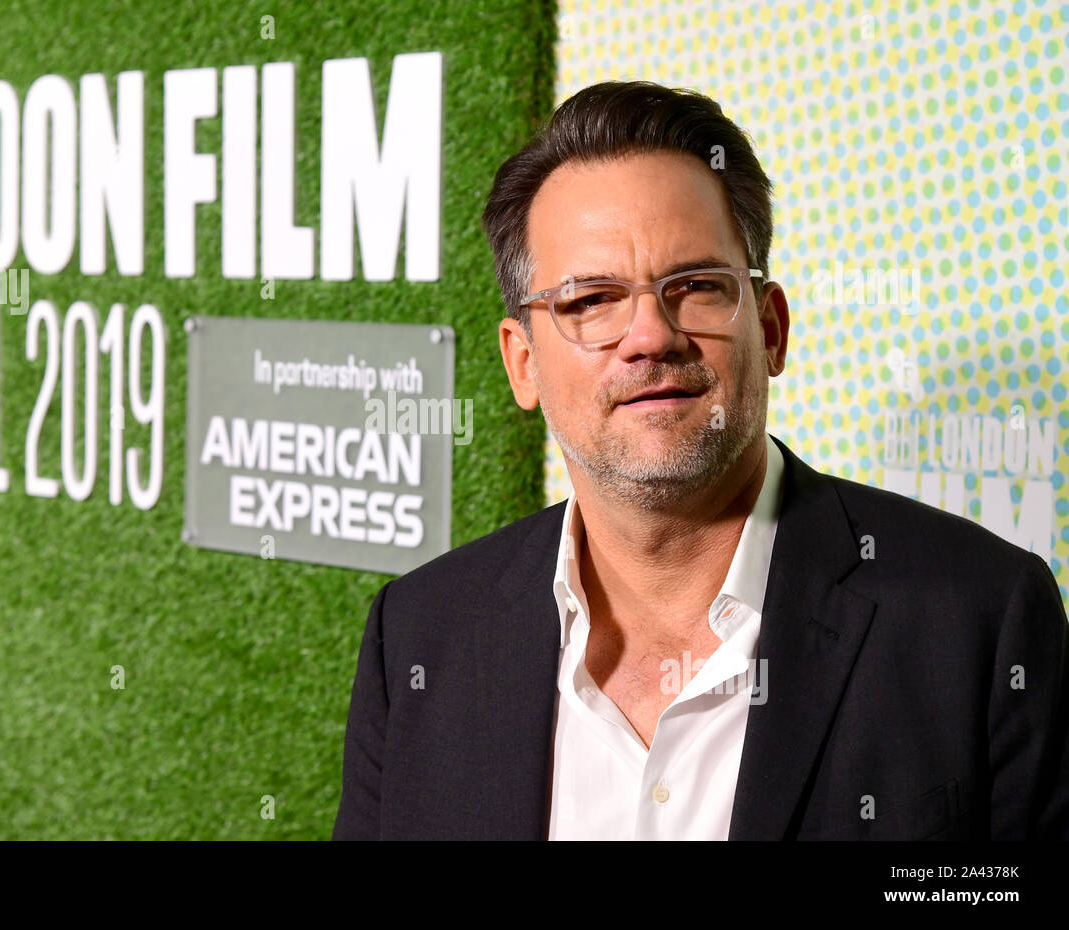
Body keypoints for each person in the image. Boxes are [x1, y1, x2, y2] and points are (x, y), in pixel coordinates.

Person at [332, 81, 1069, 840]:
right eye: (590, 301)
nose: (650, 335)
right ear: (522, 363)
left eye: (696, 287)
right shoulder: (419, 636)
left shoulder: (982, 620)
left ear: (772, 329)